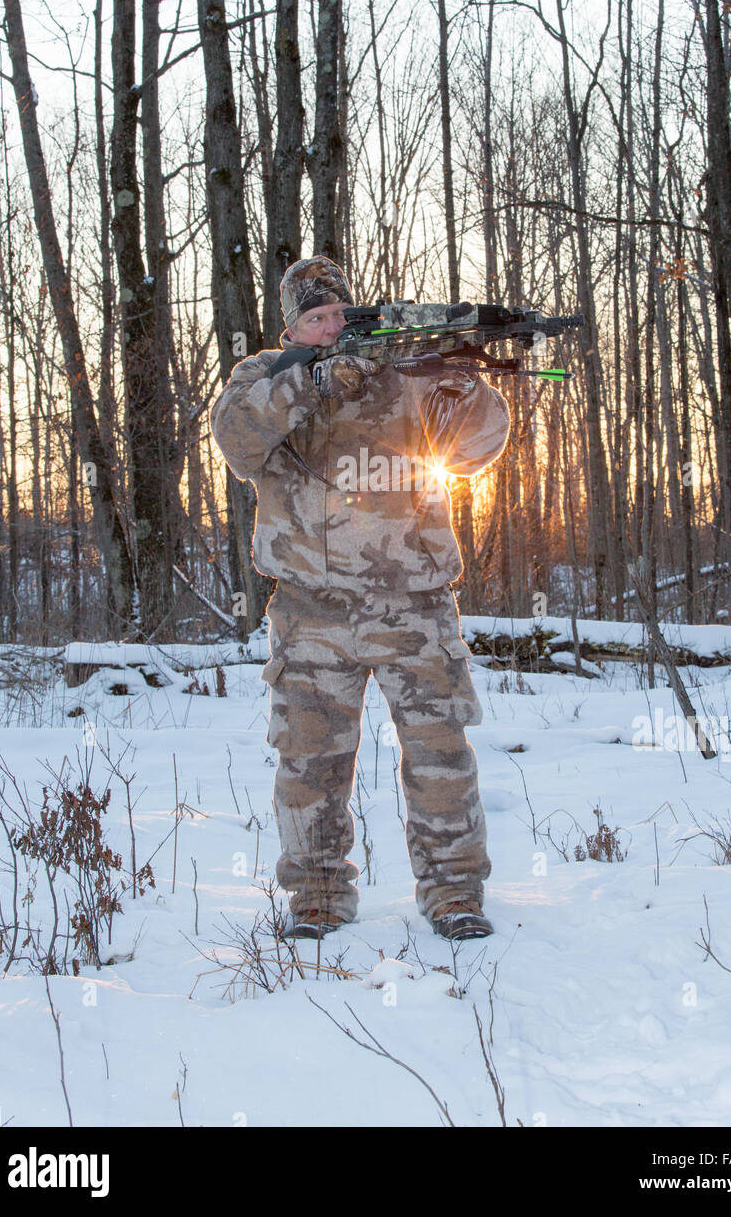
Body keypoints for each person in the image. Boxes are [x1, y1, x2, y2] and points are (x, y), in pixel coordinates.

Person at [210, 256, 510, 940]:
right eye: (313, 319)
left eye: (338, 315)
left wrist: (465, 385)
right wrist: (311, 385)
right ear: (291, 327)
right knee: (309, 759)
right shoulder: (262, 375)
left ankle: (454, 895)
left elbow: (475, 450)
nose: (329, 328)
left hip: (415, 603)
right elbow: (236, 439)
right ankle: (316, 899)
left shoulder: (400, 372)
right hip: (310, 610)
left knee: (440, 751)